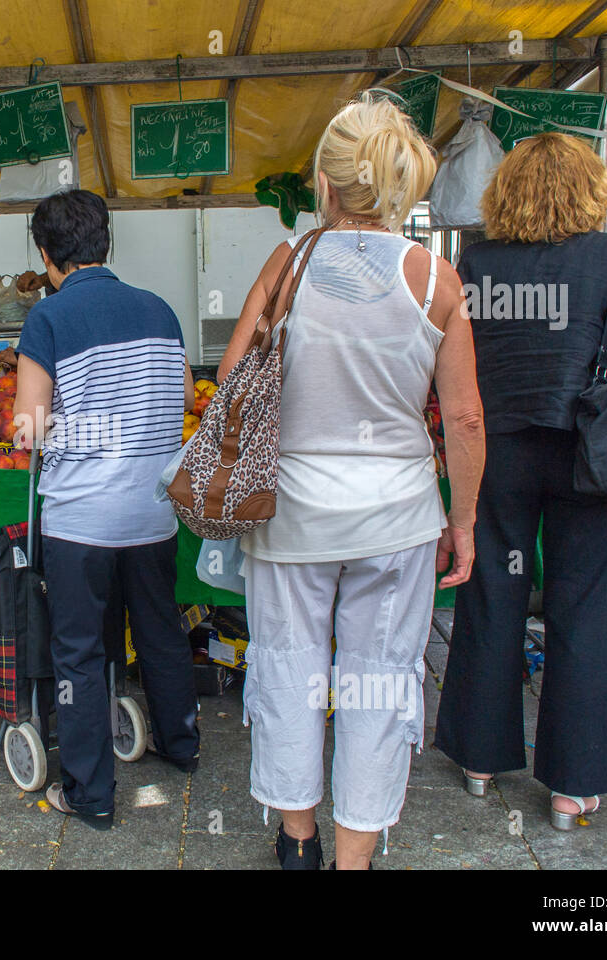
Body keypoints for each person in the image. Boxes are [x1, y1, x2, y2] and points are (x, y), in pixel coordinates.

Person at [217, 93, 485, 869]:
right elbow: (464, 419)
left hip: (289, 513)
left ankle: (297, 842)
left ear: (325, 188)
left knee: (289, 670)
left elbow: (235, 381)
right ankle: (355, 858)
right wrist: (460, 521)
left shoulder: (289, 262)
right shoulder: (436, 279)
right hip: (397, 519)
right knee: (379, 682)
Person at [434, 133, 607, 831]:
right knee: (579, 606)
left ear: (505, 193)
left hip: (499, 451)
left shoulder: (475, 262)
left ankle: (479, 760)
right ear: (591, 191)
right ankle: (572, 786)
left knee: (491, 597)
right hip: (591, 456)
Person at [13, 188, 200, 831]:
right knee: (159, 631)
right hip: (152, 512)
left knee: (80, 653)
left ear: (46, 253)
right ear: (106, 242)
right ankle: (181, 745)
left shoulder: (49, 318)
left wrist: (74, 428)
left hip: (80, 522)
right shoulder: (161, 310)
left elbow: (30, 428)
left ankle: (90, 793)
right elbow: (177, 399)